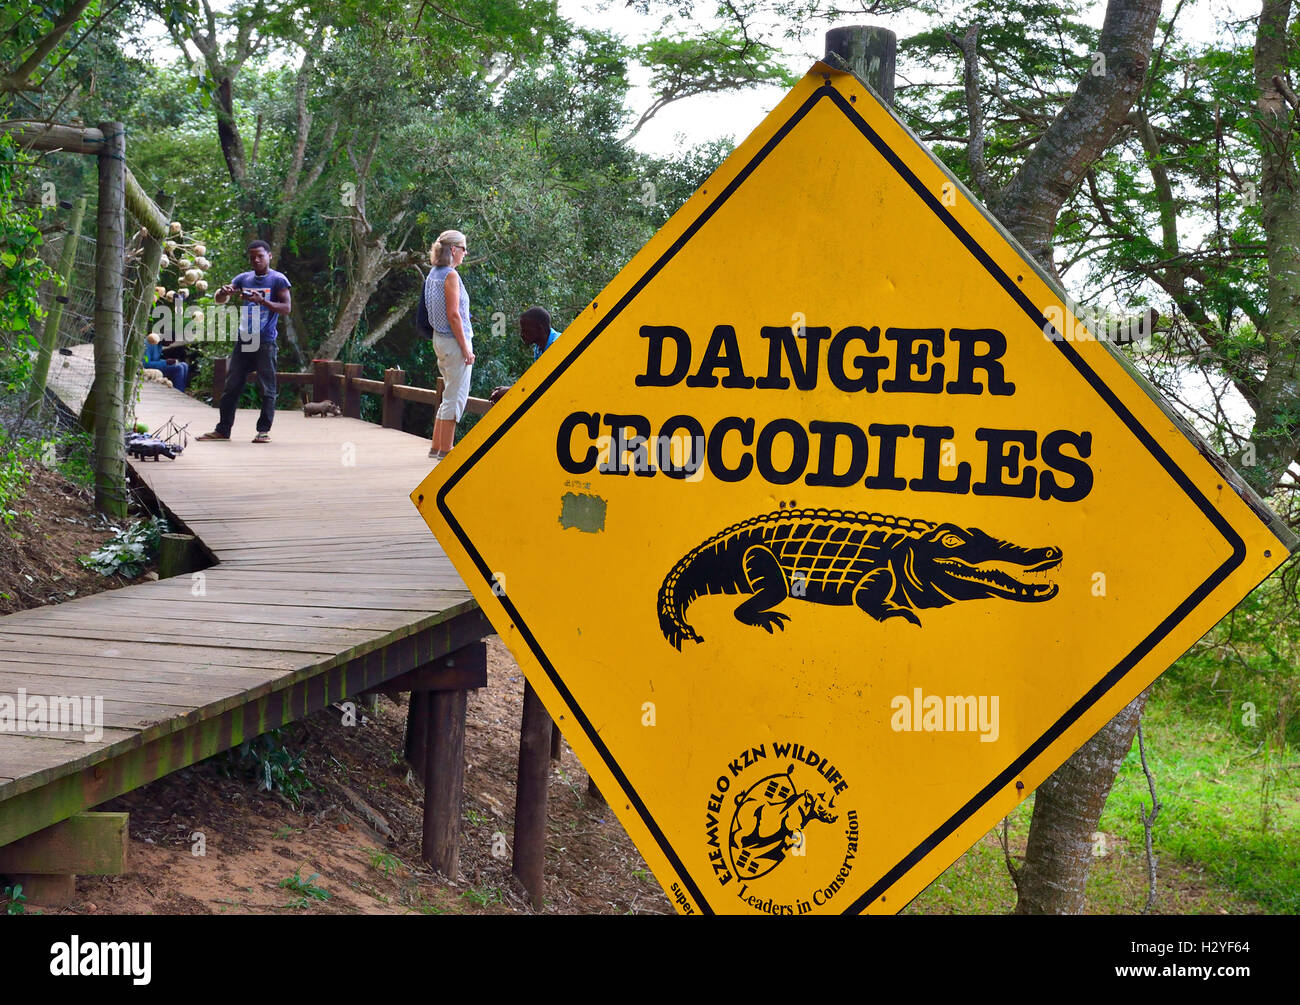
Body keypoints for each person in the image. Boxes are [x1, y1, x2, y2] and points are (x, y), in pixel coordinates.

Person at [196, 240, 291, 443]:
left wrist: (263, 301)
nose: (256, 260)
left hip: (265, 341)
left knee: (267, 388)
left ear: (269, 256)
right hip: (244, 340)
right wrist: (223, 292)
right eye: (252, 257)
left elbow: (286, 308)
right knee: (232, 386)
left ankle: (263, 431)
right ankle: (223, 430)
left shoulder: (278, 280)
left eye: (260, 256)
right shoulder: (243, 278)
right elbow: (220, 299)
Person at [425, 229, 475, 460]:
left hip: (439, 339)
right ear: (453, 250)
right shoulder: (451, 276)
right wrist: (466, 348)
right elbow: (454, 314)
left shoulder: (433, 273)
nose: (466, 253)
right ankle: (446, 450)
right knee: (456, 397)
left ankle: (436, 446)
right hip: (454, 342)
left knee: (448, 393)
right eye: (464, 248)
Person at [487, 306, 562, 404]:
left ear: (540, 328)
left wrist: (510, 391)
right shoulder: (539, 348)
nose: (522, 334)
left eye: (526, 330)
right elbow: (537, 379)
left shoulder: (557, 345)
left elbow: (545, 384)